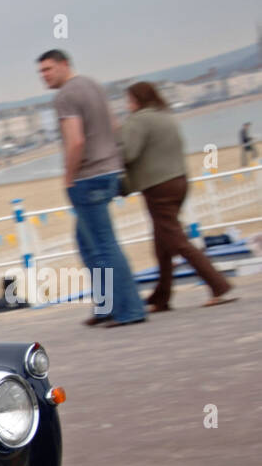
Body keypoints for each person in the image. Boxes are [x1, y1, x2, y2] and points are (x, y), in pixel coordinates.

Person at [37, 49, 145, 327]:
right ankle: (106, 306)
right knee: (87, 243)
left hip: (87, 178)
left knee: (104, 246)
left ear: (64, 65)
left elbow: (75, 142)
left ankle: (131, 310)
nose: (44, 76)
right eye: (41, 71)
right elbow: (114, 126)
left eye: (48, 69)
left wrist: (68, 176)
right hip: (108, 172)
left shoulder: (65, 97)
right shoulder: (93, 85)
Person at [121, 82, 235, 311]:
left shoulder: (139, 120)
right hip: (179, 181)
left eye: (129, 99)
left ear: (137, 99)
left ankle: (218, 285)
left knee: (177, 241)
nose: (127, 104)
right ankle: (162, 297)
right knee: (162, 241)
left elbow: (128, 153)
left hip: (157, 187)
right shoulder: (166, 116)